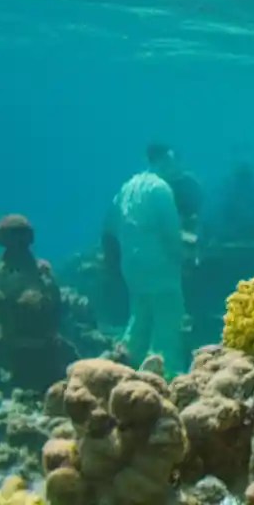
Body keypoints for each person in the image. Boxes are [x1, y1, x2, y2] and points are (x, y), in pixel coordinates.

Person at [103, 142, 188, 375]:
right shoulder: (160, 189)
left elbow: (109, 228)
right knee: (167, 323)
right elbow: (170, 233)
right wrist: (183, 257)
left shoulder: (127, 187)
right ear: (167, 158)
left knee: (138, 319)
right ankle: (167, 377)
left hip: (132, 267)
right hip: (160, 267)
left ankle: (124, 369)